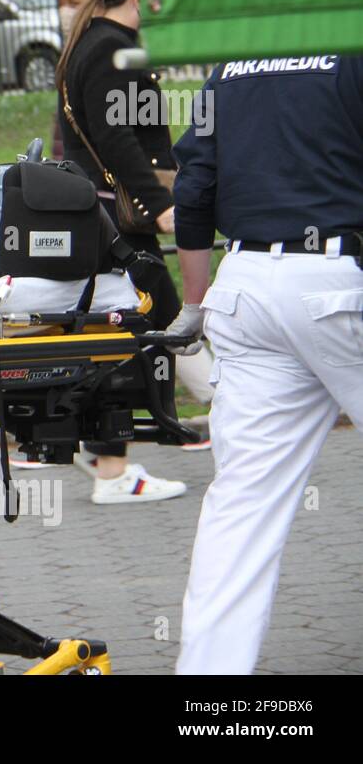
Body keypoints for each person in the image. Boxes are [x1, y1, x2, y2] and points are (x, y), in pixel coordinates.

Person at [166, 52, 363, 674]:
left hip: (245, 285)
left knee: (243, 504)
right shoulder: (351, 45)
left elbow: (193, 188)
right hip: (341, 276)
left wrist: (194, 304)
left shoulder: (235, 63)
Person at [53, 0, 188, 504]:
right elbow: (115, 138)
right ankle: (112, 468)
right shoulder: (109, 48)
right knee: (154, 321)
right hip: (117, 215)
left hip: (99, 212)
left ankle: (102, 449)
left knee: (129, 328)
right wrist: (158, 204)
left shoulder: (92, 42)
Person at [50, 0, 103, 160]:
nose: (65, 11)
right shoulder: (70, 54)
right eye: (60, 4)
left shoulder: (103, 52)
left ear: (98, 4)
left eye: (73, 3)